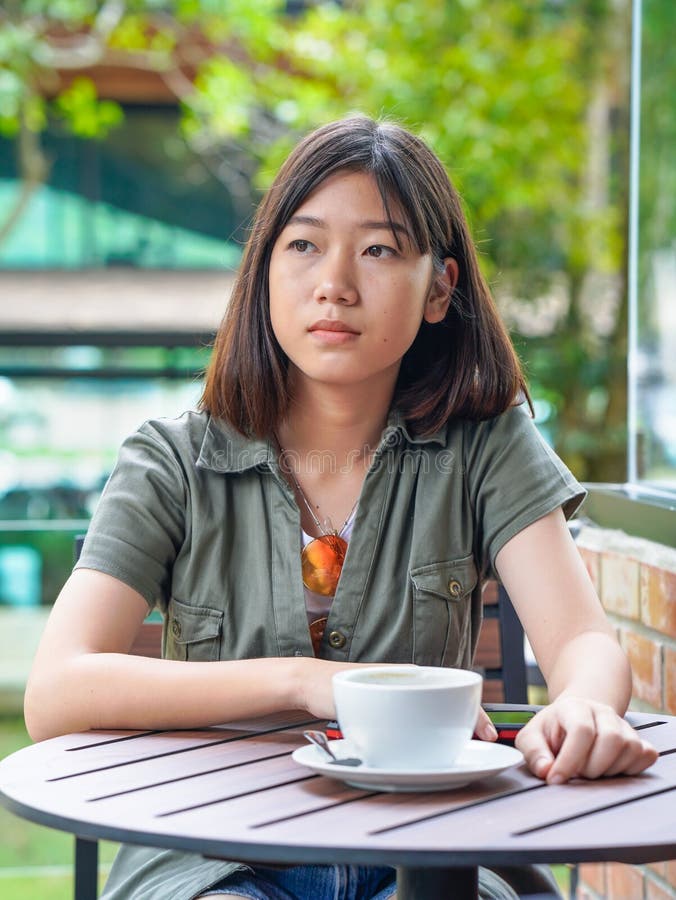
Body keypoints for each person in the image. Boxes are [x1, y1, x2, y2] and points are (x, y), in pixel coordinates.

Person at [24, 115, 657, 900]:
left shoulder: (485, 447)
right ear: (264, 272)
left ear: (440, 288)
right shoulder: (171, 461)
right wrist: (307, 681)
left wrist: (587, 708)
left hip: (433, 850)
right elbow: (57, 691)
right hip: (213, 853)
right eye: (304, 244)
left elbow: (583, 642)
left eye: (379, 250)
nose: (335, 283)